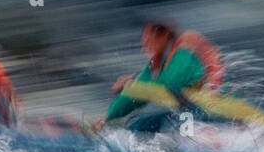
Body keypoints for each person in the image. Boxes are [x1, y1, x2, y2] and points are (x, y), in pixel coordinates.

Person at [94, 20, 224, 132]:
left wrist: (131, 84)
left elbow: (171, 87)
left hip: (207, 111)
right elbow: (131, 99)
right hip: (186, 113)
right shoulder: (156, 66)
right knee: (136, 126)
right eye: (144, 43)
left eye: (149, 41)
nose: (144, 47)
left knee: (182, 126)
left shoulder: (182, 56)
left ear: (164, 37)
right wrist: (106, 117)